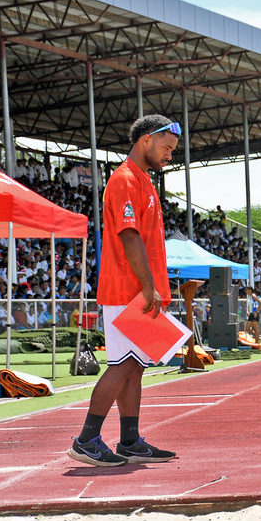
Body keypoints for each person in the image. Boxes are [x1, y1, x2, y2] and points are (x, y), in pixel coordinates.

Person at [66, 115, 180, 467]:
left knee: (135, 367)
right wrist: (148, 286)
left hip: (140, 291)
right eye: (166, 148)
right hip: (128, 291)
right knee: (122, 364)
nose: (169, 156)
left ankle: (130, 440)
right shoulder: (125, 179)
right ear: (146, 140)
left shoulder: (142, 180)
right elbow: (129, 236)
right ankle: (86, 439)